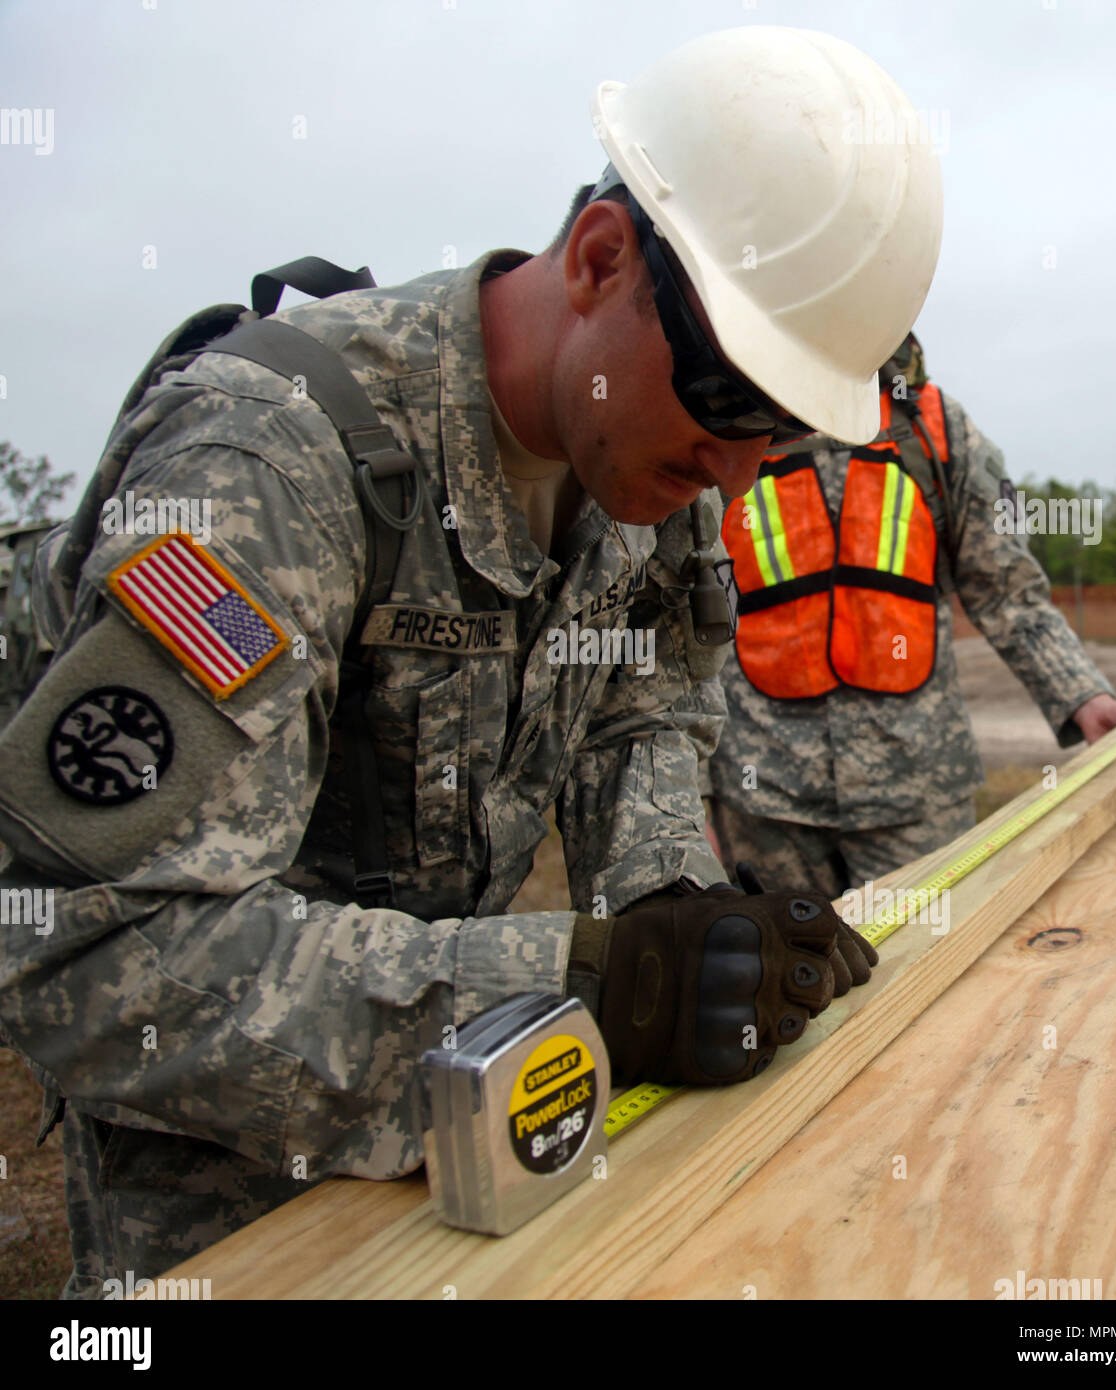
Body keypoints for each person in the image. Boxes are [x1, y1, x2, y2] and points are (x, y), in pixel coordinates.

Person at [0, 27, 941, 1295]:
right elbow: (87, 958)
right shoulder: (267, 468)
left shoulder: (650, 476)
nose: (735, 470)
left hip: (483, 1162)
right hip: (223, 1209)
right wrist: (578, 984)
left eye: (776, 430)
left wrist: (673, 919)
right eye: (726, 398)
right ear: (603, 259)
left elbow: (639, 723)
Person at [707, 332, 1116, 898]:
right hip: (763, 805)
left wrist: (1085, 696)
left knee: (935, 974)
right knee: (781, 983)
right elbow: (680, 623)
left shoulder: (939, 425)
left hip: (919, 799)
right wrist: (692, 803)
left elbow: (1009, 589)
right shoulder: (720, 418)